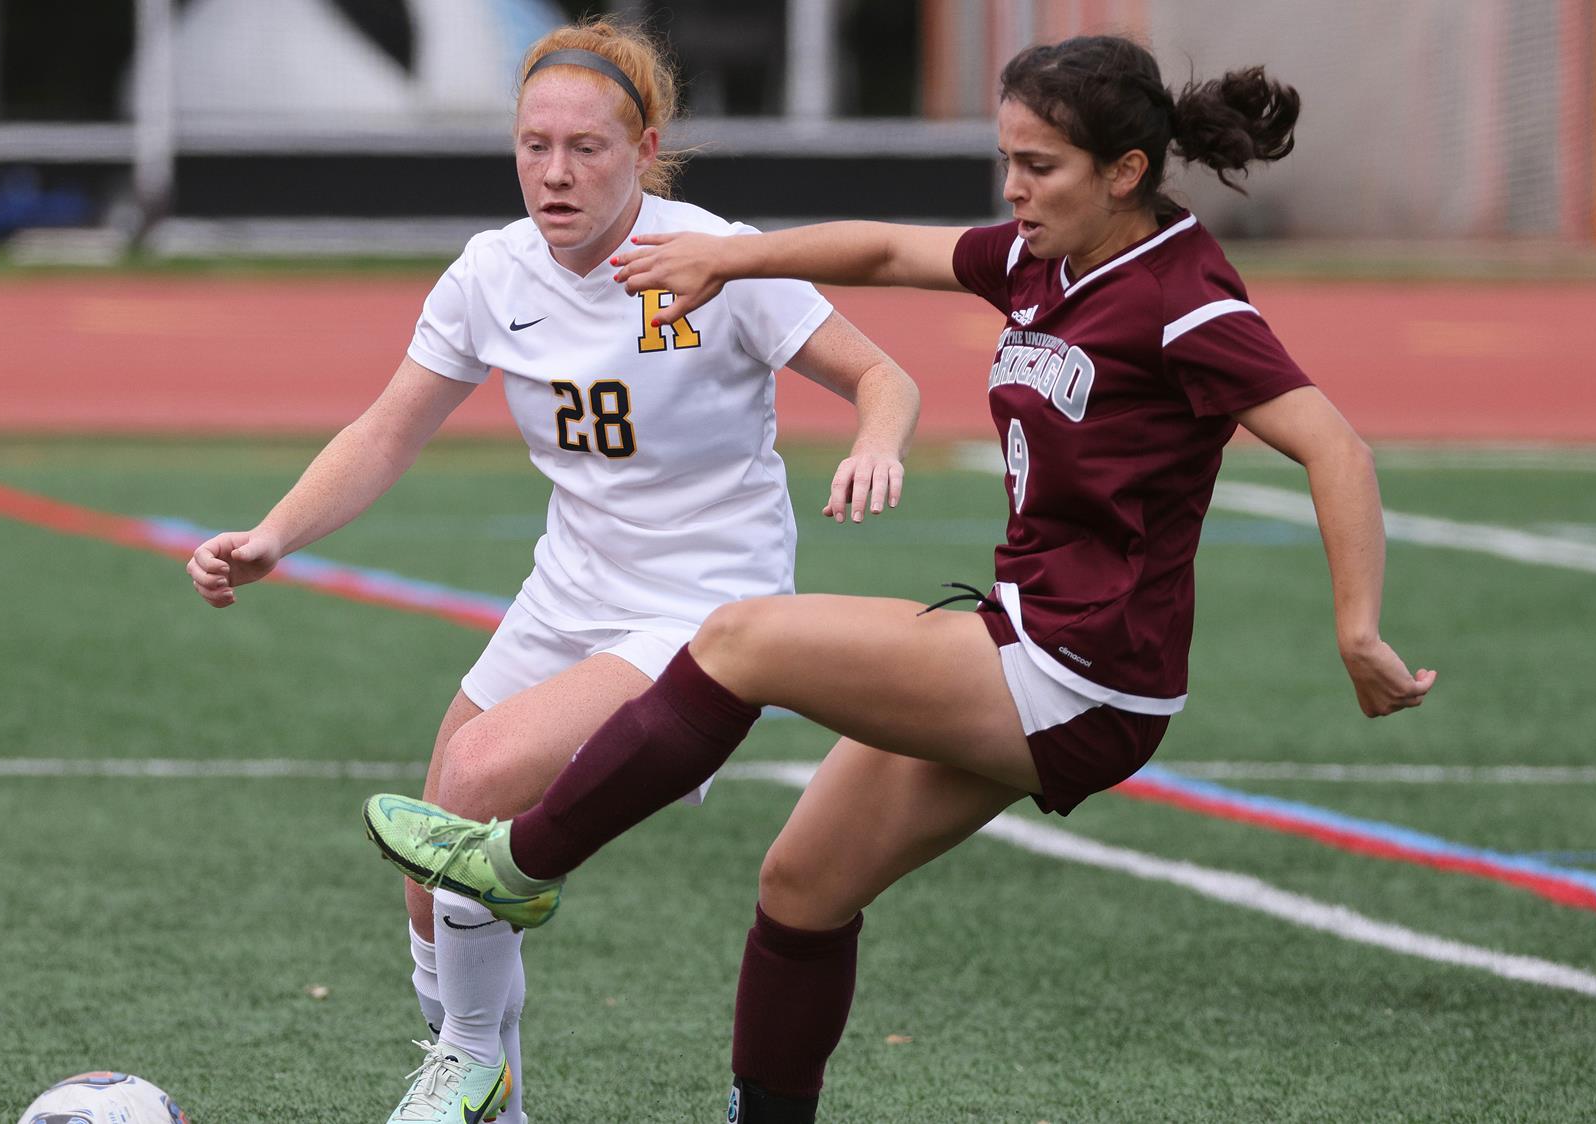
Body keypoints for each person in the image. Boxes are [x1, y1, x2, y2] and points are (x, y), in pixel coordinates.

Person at [363, 34, 1438, 1123]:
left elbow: (1335, 447)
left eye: (1040, 166)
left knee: (739, 637)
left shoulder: (1183, 298)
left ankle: (518, 862)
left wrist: (1357, 630)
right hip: (1025, 641)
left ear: (1123, 173)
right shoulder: (1044, 256)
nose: (1013, 189)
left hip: (1081, 670)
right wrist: (728, 261)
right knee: (802, 885)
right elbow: (880, 251)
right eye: (1007, 160)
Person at [186, 18, 918, 1124]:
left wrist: (877, 441)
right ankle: (490, 1096)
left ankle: (465, 1064)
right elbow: (387, 429)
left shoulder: (714, 257)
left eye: (587, 147)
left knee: (477, 777)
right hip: (568, 592)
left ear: (644, 149)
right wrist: (274, 534)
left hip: (705, 611)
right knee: (433, 859)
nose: (556, 173)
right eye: (535, 146)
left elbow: (883, 377)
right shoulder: (492, 271)